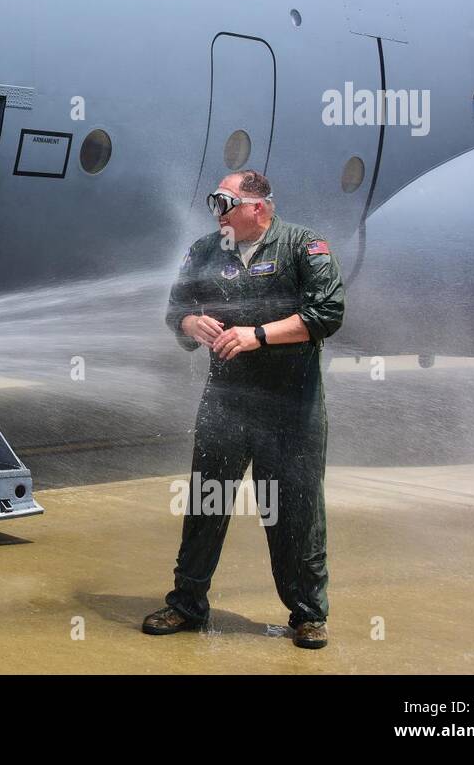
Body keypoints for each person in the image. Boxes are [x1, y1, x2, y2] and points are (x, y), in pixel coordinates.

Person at [144, 170, 345, 649]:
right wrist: (193, 323)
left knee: (296, 510)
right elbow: (176, 308)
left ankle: (307, 614)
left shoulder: (303, 246)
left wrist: (255, 335)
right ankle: (187, 604)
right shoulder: (205, 250)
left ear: (258, 207)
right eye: (215, 202)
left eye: (225, 202)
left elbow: (327, 314)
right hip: (225, 401)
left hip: (290, 405)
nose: (217, 212)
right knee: (206, 501)